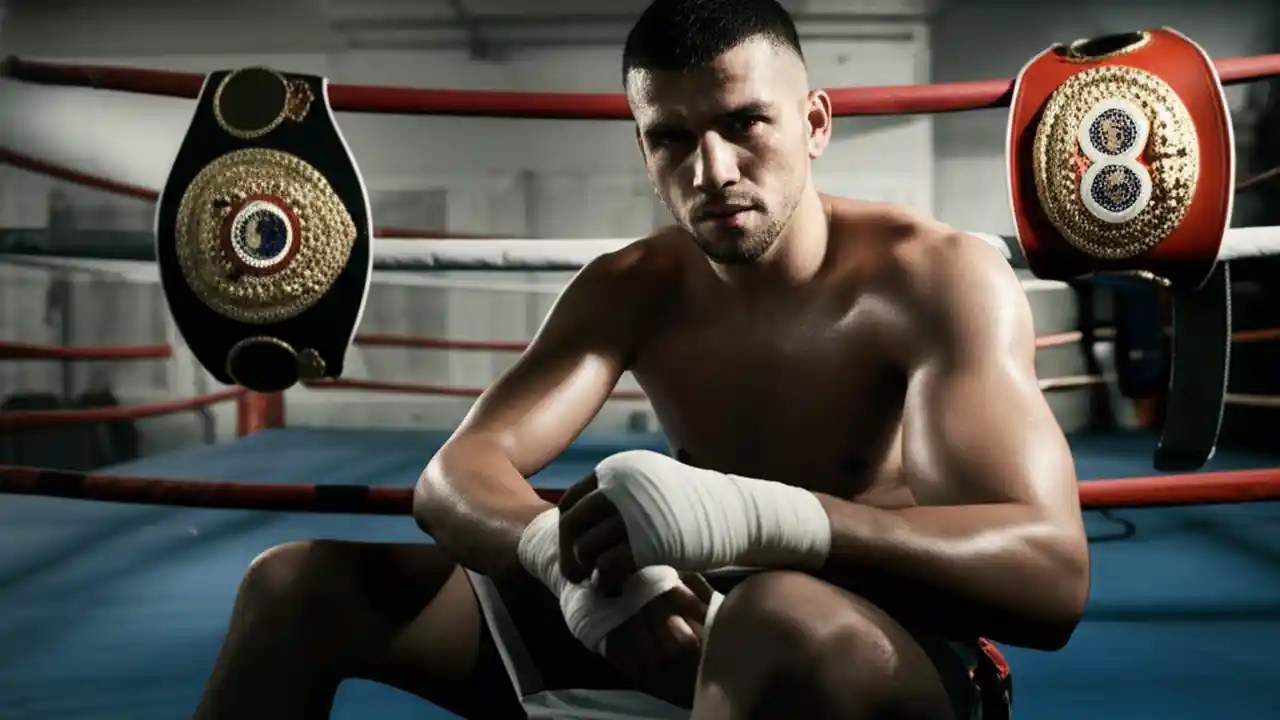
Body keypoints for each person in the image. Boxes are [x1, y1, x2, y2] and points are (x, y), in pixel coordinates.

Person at [193, 0, 1090, 718]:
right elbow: (455, 475)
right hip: (679, 626)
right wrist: (569, 569)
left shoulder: (935, 278)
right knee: (295, 586)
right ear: (643, 145)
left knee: (774, 616)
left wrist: (763, 516)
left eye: (746, 124)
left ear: (816, 123)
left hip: (877, 652)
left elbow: (1048, 577)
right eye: (672, 137)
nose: (712, 171)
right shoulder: (632, 286)